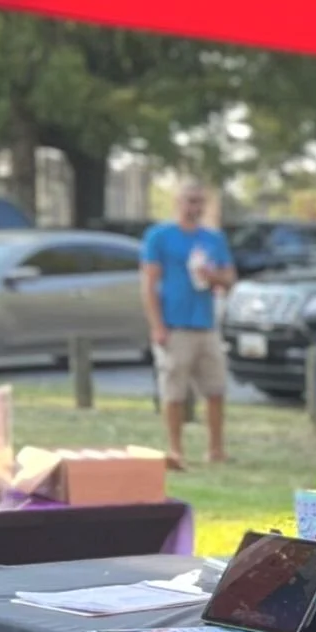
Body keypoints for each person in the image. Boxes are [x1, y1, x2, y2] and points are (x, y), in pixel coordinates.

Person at [140, 181, 235, 469]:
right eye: (189, 201)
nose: (194, 207)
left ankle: (216, 449)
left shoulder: (213, 239)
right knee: (174, 390)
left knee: (215, 389)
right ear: (177, 202)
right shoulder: (159, 236)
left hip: (205, 324)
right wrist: (157, 325)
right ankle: (175, 449)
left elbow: (229, 280)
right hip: (174, 325)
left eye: (199, 201)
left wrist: (212, 276)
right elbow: (149, 284)